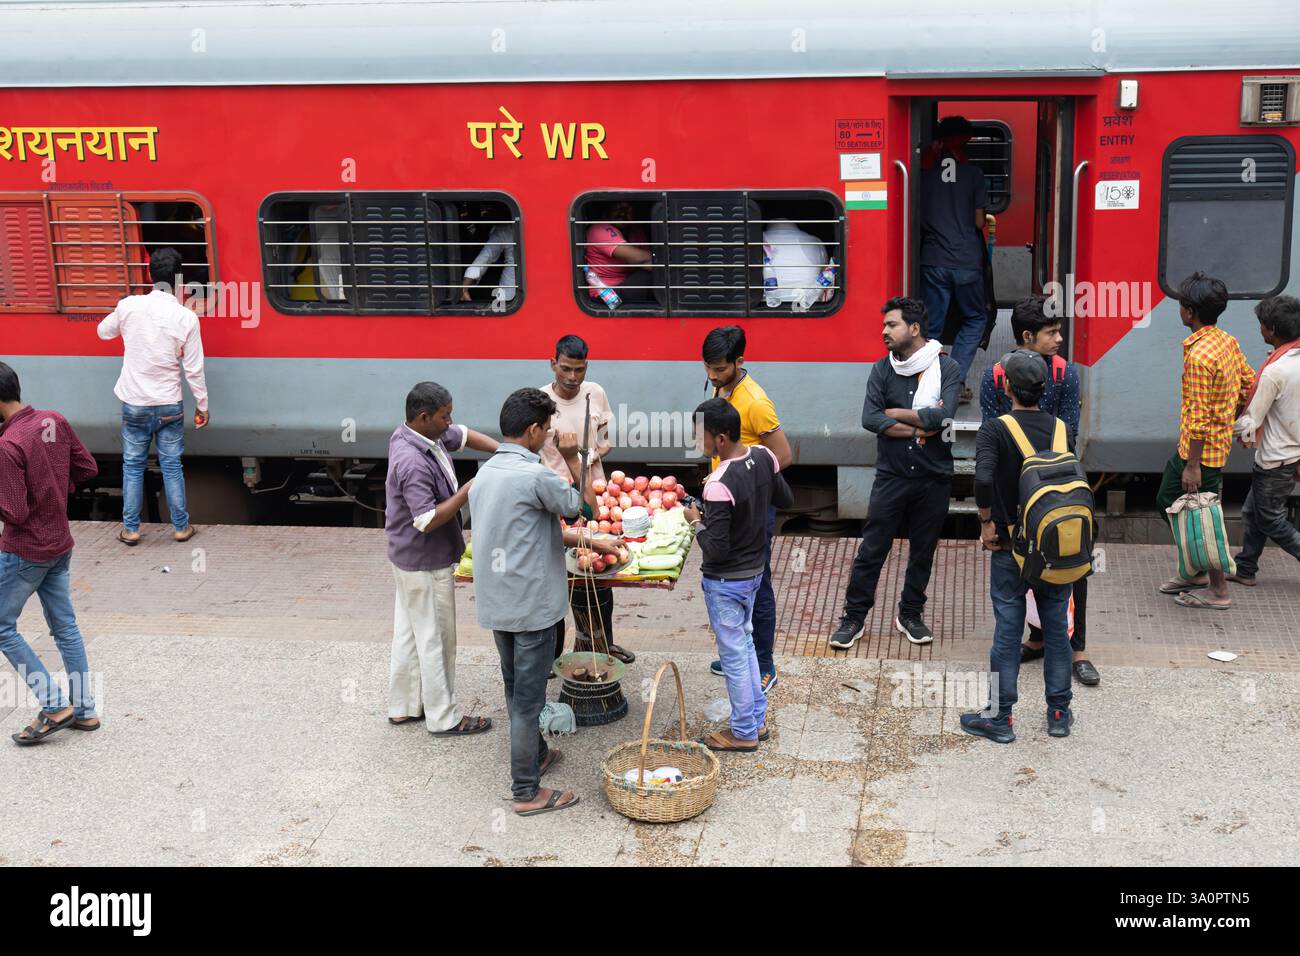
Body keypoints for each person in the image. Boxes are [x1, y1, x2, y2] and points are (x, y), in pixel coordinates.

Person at [469, 388, 620, 816]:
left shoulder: (485, 475)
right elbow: (584, 511)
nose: (550, 435)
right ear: (534, 430)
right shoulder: (535, 476)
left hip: (499, 604)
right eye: (547, 429)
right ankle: (525, 792)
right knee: (528, 701)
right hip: (531, 607)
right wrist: (575, 458)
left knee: (516, 688)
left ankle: (535, 755)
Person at [978, 296, 1097, 685]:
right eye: (1052, 332)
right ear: (1028, 336)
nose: (1060, 338)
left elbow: (1069, 434)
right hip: (1017, 501)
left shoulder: (1065, 373)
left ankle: (1076, 647)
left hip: (1059, 492)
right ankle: (1042, 639)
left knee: (1071, 570)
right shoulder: (996, 377)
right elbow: (993, 443)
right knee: (1032, 571)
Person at [828, 297, 959, 649]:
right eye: (885, 325)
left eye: (892, 325)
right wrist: (918, 428)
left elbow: (942, 419)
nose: (884, 331)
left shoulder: (948, 368)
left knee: (923, 551)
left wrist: (895, 413)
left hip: (934, 477)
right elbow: (870, 419)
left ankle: (910, 615)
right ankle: (853, 619)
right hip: (892, 476)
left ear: (914, 329)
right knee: (872, 550)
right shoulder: (881, 370)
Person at [962, 350, 1075, 744]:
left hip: (1011, 544)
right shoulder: (1062, 428)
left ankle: (1000, 718)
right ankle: (1059, 713)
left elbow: (981, 479)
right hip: (1055, 547)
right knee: (1057, 629)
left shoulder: (995, 429)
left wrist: (986, 520)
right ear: (1044, 389)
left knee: (1008, 631)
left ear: (1006, 386)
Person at [384, 382, 498, 735]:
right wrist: (468, 490)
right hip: (424, 561)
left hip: (404, 557)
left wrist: (503, 452)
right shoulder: (413, 461)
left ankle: (403, 706)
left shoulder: (417, 436)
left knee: (408, 632)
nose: (451, 422)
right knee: (437, 639)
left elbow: (463, 436)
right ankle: (443, 717)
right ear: (424, 417)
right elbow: (427, 520)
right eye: (445, 416)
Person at [0, 362, 101, 745]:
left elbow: (15, 512)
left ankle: (54, 704)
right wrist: (56, 489)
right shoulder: (53, 420)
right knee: (65, 627)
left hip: (25, 551)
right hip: (61, 544)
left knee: (2, 626)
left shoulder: (8, 445)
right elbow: (87, 468)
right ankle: (85, 710)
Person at [684, 399, 793, 752]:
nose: (697, 440)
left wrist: (696, 522)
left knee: (734, 655)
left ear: (719, 439)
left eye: (700, 434)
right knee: (745, 646)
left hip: (725, 582)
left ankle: (744, 731)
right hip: (754, 573)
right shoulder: (763, 456)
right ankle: (756, 719)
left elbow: (715, 548)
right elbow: (785, 498)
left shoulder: (717, 483)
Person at [97, 246, 209, 546]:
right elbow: (194, 369)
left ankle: (131, 530)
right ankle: (181, 528)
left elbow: (103, 332)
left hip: (135, 405)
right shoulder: (186, 317)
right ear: (179, 280)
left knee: (133, 466)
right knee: (172, 465)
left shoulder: (130, 306)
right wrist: (203, 405)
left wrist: (120, 311)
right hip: (169, 405)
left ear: (150, 274)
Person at [702, 326, 793, 693]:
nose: (712, 375)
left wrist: (741, 484)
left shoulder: (755, 401)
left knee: (758, 584)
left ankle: (765, 663)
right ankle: (737, 652)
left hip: (749, 508)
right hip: (724, 502)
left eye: (720, 369)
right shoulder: (721, 386)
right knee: (730, 581)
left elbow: (782, 456)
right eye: (707, 368)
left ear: (740, 362)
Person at [1156, 272, 1254, 610]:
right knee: (1169, 500)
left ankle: (1217, 591)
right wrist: (1232, 415)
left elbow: (1197, 419)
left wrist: (1193, 466)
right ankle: (1194, 570)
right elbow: (1248, 381)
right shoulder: (1226, 341)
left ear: (1189, 312)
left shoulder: (1199, 357)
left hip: (1202, 454)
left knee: (1201, 519)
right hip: (1205, 446)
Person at [538, 335, 633, 664]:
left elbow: (606, 441)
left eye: (579, 370)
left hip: (595, 496)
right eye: (565, 368)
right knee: (559, 580)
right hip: (556, 499)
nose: (572, 377)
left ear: (586, 367)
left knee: (599, 575)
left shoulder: (596, 393)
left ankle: (604, 644)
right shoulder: (540, 400)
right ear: (553, 364)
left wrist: (591, 454)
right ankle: (552, 656)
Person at [1229, 295, 1300, 585]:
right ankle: (1246, 568)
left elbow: (1250, 424)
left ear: (1270, 329)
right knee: (1253, 511)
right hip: (1292, 453)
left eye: (1260, 325)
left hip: (1274, 459)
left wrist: (1218, 424)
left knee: (1270, 518)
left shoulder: (1275, 371)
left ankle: (1246, 567)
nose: (1259, 330)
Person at [918, 115, 989, 399]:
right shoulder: (974, 174)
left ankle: (929, 382)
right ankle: (954, 382)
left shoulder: (922, 171)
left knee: (932, 325)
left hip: (933, 259)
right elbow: (980, 221)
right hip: (966, 260)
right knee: (974, 319)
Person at [584, 201, 653, 304]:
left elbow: (649, 261)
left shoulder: (636, 230)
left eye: (628, 209)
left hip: (627, 284)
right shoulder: (599, 229)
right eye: (617, 207)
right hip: (607, 295)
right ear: (607, 210)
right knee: (652, 275)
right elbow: (640, 259)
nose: (623, 213)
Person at [760, 218, 832, 309]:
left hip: (767, 305)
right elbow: (824, 272)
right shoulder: (815, 242)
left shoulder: (755, 241)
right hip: (806, 306)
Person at [459, 215, 518, 306]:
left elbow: (486, 257)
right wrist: (464, 287)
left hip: (509, 292)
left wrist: (464, 287)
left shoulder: (507, 229)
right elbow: (486, 257)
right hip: (511, 292)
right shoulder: (507, 229)